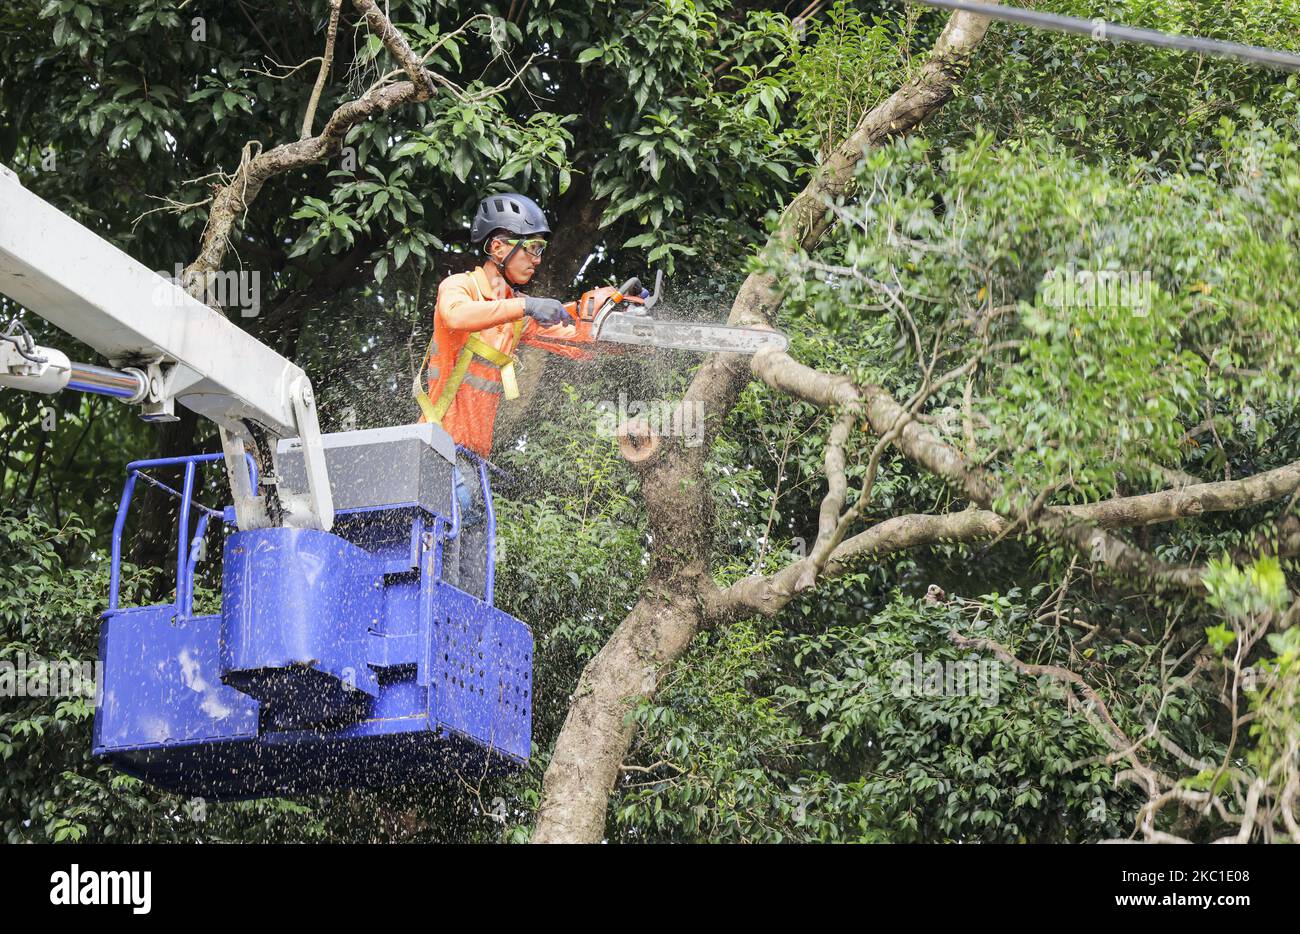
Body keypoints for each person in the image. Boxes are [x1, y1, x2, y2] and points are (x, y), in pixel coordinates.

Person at [414, 192, 592, 596]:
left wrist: (617, 317)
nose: (537, 258)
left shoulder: (514, 311)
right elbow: (456, 316)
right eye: (531, 247)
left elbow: (574, 337)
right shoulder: (460, 289)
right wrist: (525, 307)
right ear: (497, 246)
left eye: (540, 249)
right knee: (442, 576)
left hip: (473, 464)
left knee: (472, 585)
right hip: (437, 453)